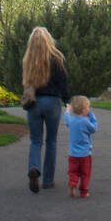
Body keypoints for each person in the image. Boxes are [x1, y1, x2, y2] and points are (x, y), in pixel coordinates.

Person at [22, 26, 69, 193]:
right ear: (49, 40)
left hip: (34, 103)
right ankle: (48, 180)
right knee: (51, 141)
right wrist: (67, 101)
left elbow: (26, 83)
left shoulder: (28, 60)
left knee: (35, 141)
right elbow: (62, 82)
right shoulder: (56, 58)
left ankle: (34, 167)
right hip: (52, 102)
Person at [64, 95, 98, 199]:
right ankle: (83, 192)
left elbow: (66, 118)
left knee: (73, 171)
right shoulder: (85, 121)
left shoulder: (71, 120)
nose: (89, 109)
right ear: (84, 110)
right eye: (88, 107)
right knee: (85, 174)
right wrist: (92, 116)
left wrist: (67, 110)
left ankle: (73, 182)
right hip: (85, 154)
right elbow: (94, 129)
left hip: (73, 154)